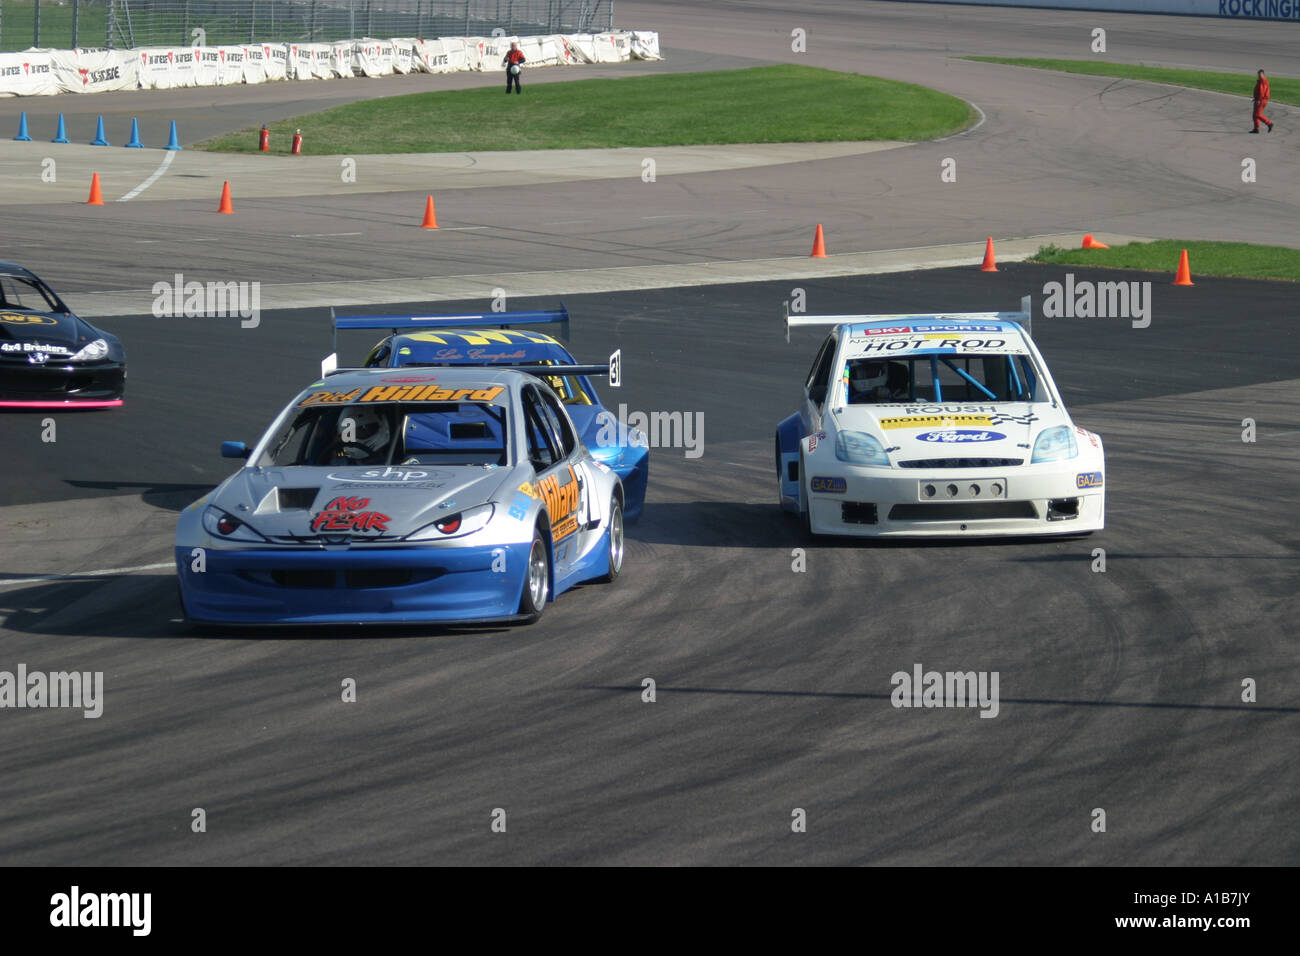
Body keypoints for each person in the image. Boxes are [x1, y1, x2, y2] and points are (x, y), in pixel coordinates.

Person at [1251, 69, 1273, 134]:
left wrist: (1259, 100)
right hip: (1258, 99)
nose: (1259, 75)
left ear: (1263, 74)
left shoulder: (1263, 81)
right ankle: (1256, 129)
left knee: (1258, 114)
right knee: (1254, 115)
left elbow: (1261, 92)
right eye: (1258, 74)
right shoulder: (1260, 81)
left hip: (1262, 100)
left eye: (1260, 74)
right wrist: (1255, 98)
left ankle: (1269, 123)